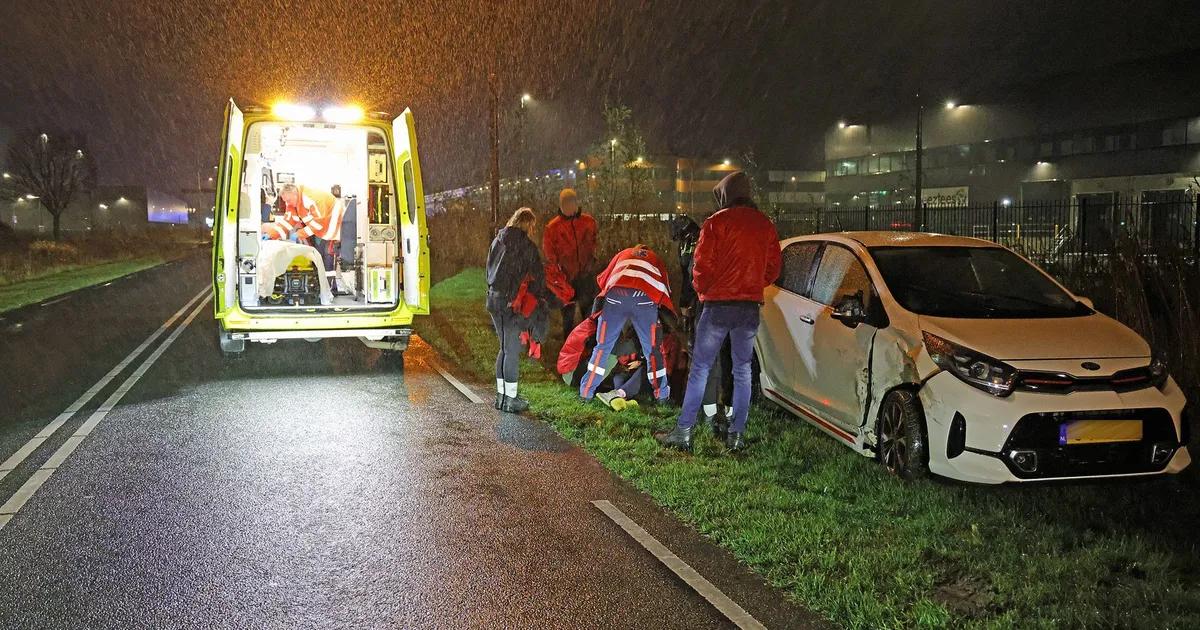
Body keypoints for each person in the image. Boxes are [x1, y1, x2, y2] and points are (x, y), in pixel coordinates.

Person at [659, 171, 781, 453]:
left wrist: (703, 292)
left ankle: (685, 431)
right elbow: (774, 268)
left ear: (726, 194)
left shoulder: (717, 223)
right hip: (749, 308)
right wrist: (752, 286)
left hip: (717, 307)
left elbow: (700, 267)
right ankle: (736, 435)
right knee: (742, 372)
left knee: (700, 368)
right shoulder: (765, 225)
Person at [579, 245, 674, 404]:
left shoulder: (623, 254)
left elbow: (603, 279)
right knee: (652, 350)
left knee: (602, 348)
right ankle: (662, 396)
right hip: (644, 297)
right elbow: (664, 288)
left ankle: (586, 393)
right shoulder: (655, 258)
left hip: (616, 296)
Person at [486, 208, 546, 413]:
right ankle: (510, 399)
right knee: (510, 349)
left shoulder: (498, 241)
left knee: (503, 348)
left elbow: (489, 270)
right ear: (528, 225)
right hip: (510, 302)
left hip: (493, 298)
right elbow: (538, 276)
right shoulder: (526, 246)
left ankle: (501, 397)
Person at [542, 189, 598, 338]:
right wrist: (560, 270)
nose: (569, 207)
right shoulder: (553, 227)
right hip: (566, 278)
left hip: (585, 275)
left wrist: (591, 261)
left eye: (571, 202)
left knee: (589, 313)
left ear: (576, 203)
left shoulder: (588, 222)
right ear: (561, 206)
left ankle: (589, 343)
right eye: (565, 204)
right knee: (568, 316)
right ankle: (570, 345)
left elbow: (594, 243)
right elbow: (549, 251)